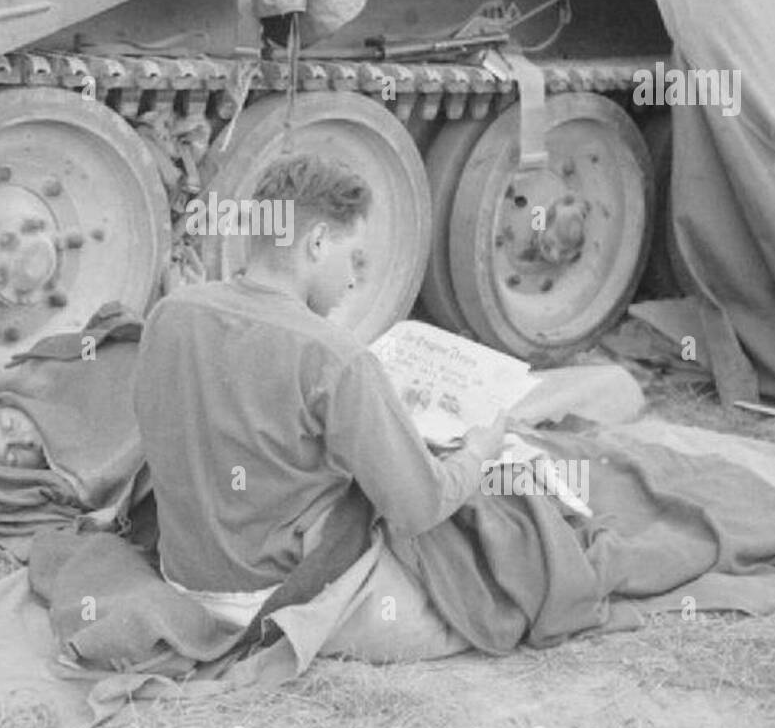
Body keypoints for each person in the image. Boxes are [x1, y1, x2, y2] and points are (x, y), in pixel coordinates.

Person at [132, 151, 508, 662]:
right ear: (315, 244)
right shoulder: (336, 357)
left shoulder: (168, 315)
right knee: (488, 581)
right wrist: (478, 453)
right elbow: (418, 508)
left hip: (182, 579)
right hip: (283, 597)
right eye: (353, 258)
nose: (355, 280)